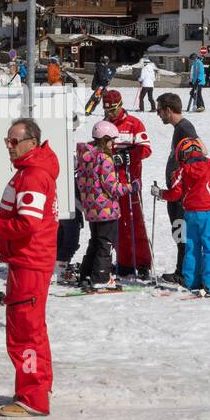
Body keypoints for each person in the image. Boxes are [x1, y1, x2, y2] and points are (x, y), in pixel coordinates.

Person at [0, 118, 58, 418]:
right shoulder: (29, 172)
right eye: (7, 141)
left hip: (29, 261)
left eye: (14, 142)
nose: (9, 148)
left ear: (32, 142)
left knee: (23, 332)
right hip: (29, 261)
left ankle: (32, 397)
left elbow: (27, 222)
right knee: (34, 328)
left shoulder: (32, 176)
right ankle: (40, 385)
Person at [157, 137, 210, 295]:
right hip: (207, 214)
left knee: (191, 248)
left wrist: (161, 193)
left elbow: (175, 193)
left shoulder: (183, 170)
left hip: (190, 214)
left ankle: (192, 281)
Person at [102, 90, 152, 278]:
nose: (110, 114)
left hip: (130, 182)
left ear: (121, 105)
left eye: (113, 110)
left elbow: (146, 149)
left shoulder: (134, 124)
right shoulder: (105, 125)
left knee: (135, 222)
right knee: (117, 224)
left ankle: (143, 262)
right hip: (110, 184)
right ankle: (124, 262)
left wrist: (126, 156)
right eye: (107, 110)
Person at [75, 120, 129, 292]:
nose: (113, 144)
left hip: (92, 208)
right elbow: (111, 187)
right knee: (105, 243)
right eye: (112, 140)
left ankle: (87, 274)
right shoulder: (104, 159)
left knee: (95, 242)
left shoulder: (86, 157)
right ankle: (101, 277)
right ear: (105, 139)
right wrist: (130, 187)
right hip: (106, 209)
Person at [155, 92, 199, 285]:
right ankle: (182, 270)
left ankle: (184, 273)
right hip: (175, 191)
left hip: (181, 194)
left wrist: (182, 182)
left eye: (159, 110)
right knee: (178, 233)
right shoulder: (179, 127)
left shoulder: (185, 128)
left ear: (168, 110)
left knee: (182, 233)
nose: (157, 114)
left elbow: (198, 152)